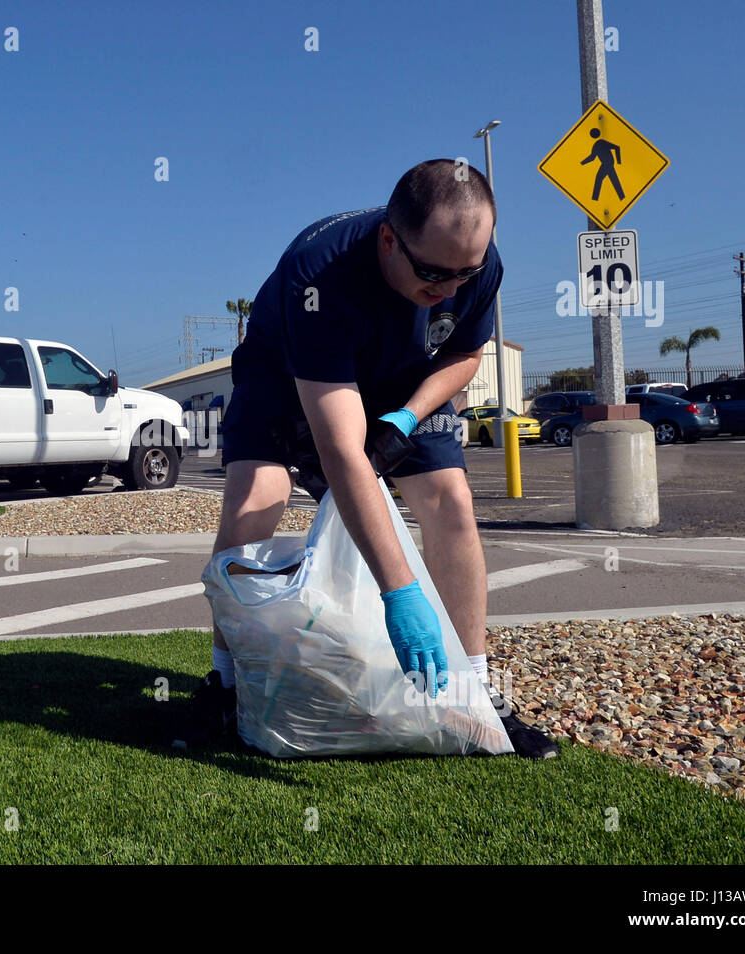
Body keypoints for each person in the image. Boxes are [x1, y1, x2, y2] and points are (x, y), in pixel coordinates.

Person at [168, 159, 559, 759]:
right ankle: (224, 683)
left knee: (451, 500)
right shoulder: (318, 274)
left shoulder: (475, 266)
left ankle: (474, 688)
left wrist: (407, 417)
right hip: (284, 376)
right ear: (388, 240)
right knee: (256, 501)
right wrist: (400, 592)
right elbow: (342, 452)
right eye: (433, 272)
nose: (450, 288)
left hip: (402, 380)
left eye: (466, 273)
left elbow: (463, 354)